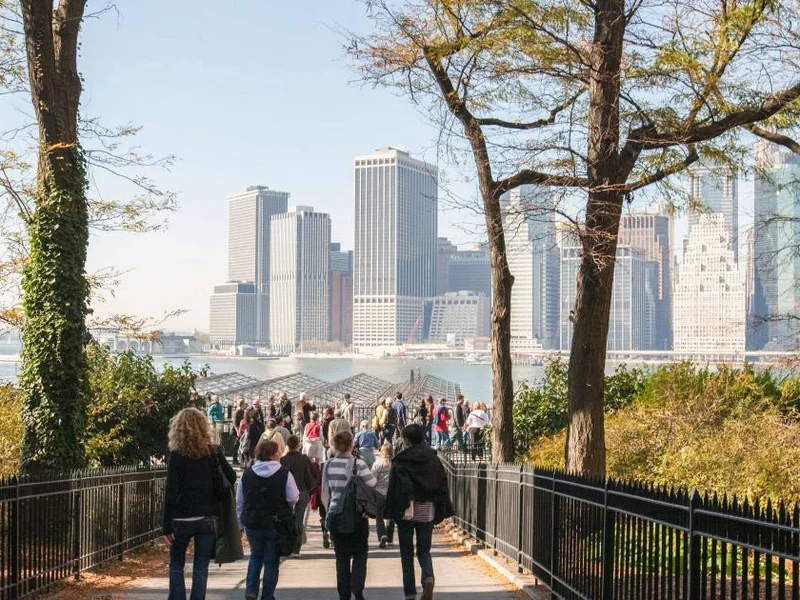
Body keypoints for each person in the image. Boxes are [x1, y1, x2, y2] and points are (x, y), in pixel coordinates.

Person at [163, 407, 236, 600]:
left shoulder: (176, 455)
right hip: (207, 516)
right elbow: (231, 477)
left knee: (176, 563)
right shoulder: (212, 452)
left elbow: (171, 492)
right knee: (201, 565)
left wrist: (166, 526)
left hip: (181, 517)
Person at [385, 424, 453, 600]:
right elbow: (441, 483)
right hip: (427, 510)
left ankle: (410, 594)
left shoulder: (400, 460)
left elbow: (393, 488)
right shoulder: (433, 458)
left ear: (406, 440)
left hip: (406, 510)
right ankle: (428, 577)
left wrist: (390, 511)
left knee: (406, 554)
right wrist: (442, 507)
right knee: (424, 550)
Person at [237, 439, 300, 600]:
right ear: (274, 454)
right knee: (271, 561)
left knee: (255, 556)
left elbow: (240, 501)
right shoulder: (284, 473)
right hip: (275, 522)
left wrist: (240, 523)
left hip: (253, 521)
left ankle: (251, 589)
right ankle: (267, 595)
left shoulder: (248, 474)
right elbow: (293, 497)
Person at [322, 431, 377, 600]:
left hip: (335, 514)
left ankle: (343, 594)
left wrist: (328, 510)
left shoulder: (328, 464)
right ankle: (357, 586)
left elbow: (325, 493)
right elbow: (372, 483)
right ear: (351, 445)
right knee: (360, 552)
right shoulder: (358, 464)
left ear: (334, 446)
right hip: (357, 514)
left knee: (341, 556)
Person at [281, 435, 317, 557]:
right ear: (298, 445)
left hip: (286, 492)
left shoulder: (283, 460)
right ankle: (296, 549)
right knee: (299, 519)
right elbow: (314, 473)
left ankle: (288, 545)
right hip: (302, 491)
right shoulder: (304, 459)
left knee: (287, 519)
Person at [371, 443, 395, 549]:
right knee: (391, 516)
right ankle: (389, 537)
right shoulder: (394, 463)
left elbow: (372, 480)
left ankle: (382, 534)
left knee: (379, 516)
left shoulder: (377, 463)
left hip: (379, 493)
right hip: (391, 493)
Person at [232, 397, 247, 465]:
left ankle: (242, 459)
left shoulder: (243, 411)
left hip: (242, 430)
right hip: (236, 431)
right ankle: (234, 459)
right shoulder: (236, 412)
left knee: (241, 445)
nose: (245, 405)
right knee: (236, 445)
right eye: (244, 404)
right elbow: (235, 423)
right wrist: (238, 431)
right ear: (241, 404)